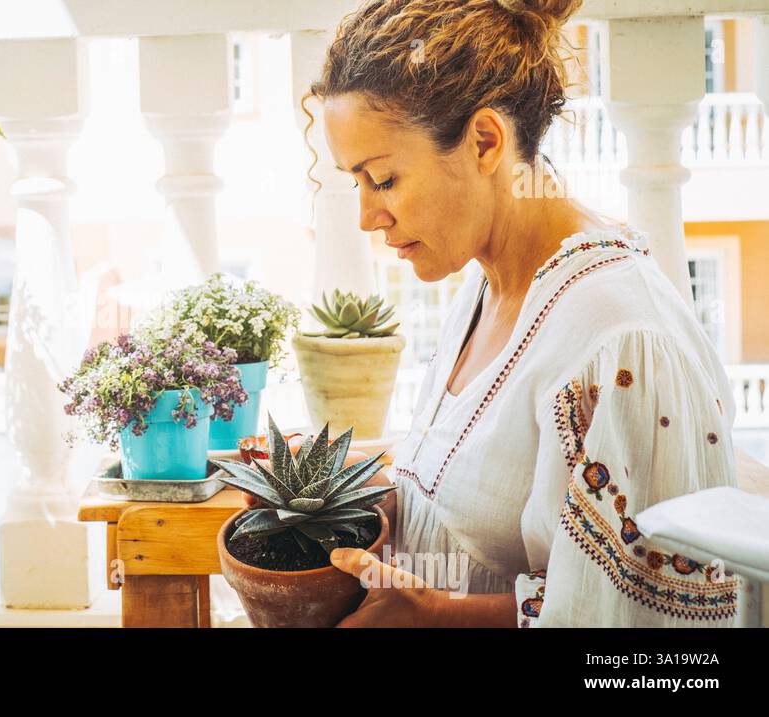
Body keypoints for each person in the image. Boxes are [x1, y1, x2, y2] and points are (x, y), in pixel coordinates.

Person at [264, 0, 741, 626]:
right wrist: (370, 488)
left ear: (485, 142)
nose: (366, 217)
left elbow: (654, 646)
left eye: (382, 179)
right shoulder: (489, 286)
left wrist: (435, 616)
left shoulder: (621, 338)